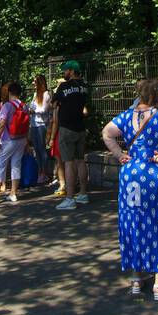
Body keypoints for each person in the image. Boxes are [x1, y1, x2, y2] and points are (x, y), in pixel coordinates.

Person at [101, 78, 158, 300]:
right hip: (157, 175)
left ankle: (137, 277)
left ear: (139, 96)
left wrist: (119, 154)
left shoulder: (125, 116)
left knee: (135, 221)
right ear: (157, 97)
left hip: (132, 175)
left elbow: (107, 133)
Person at [53, 61, 90, 211]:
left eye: (65, 71)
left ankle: (69, 198)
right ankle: (83, 193)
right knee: (80, 160)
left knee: (68, 162)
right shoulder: (85, 87)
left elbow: (53, 103)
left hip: (67, 128)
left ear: (71, 71)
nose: (64, 73)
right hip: (80, 127)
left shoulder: (64, 86)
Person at [0, 80, 29, 204]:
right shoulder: (24, 105)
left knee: (0, 166)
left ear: (10, 92)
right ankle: (13, 194)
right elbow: (27, 124)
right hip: (21, 139)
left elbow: (2, 123)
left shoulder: (7, 105)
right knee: (16, 165)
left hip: (7, 140)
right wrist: (26, 139)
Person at [28, 74, 53, 188]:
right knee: (36, 149)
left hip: (42, 124)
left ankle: (44, 172)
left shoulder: (46, 94)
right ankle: (39, 171)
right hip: (33, 124)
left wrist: (33, 111)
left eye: (34, 81)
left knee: (42, 148)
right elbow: (32, 107)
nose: (33, 83)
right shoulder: (35, 95)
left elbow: (44, 109)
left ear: (40, 83)